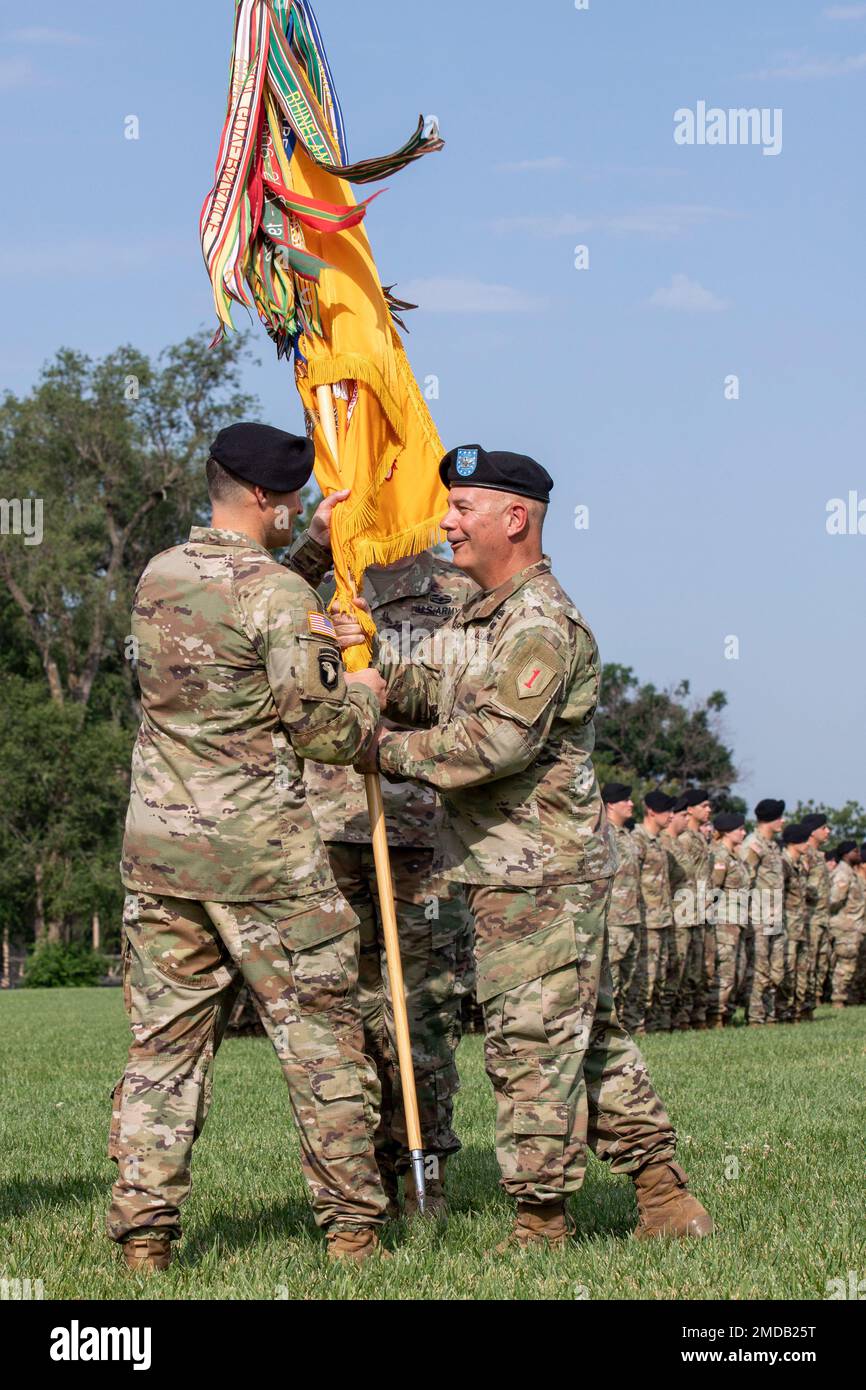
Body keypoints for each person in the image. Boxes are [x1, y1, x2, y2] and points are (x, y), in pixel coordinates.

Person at [338, 445, 712, 1249]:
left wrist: (383, 752)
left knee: (532, 1046)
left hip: (540, 872)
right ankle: (666, 1200)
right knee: (587, 1036)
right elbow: (437, 690)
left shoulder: (540, 623)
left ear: (515, 519)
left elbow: (491, 744)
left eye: (462, 508)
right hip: (509, 870)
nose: (445, 522)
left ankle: (540, 1224)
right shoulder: (487, 614)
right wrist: (371, 674)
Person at [108, 422, 391, 1271]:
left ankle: (144, 1241)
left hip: (162, 854)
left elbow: (220, 636)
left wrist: (305, 555)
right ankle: (352, 1235)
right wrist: (366, 688)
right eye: (295, 501)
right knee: (324, 1045)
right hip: (262, 861)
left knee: (163, 1052)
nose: (300, 509)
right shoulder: (279, 598)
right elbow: (325, 731)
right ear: (267, 498)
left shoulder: (159, 576)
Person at [303, 549, 477, 1218]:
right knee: (340, 1010)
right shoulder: (322, 583)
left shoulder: (459, 591)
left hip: (422, 828)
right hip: (330, 824)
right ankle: (359, 1180)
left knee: (424, 1010)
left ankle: (424, 1174)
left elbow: (478, 696)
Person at [631, 791, 679, 1034]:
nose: (671, 816)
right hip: (646, 921)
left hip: (662, 919)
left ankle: (654, 1025)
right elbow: (630, 883)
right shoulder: (637, 841)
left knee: (659, 977)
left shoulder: (658, 842)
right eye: (667, 811)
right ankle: (637, 1027)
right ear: (651, 811)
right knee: (644, 979)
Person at [741, 799, 786, 1025]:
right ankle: (756, 1017)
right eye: (779, 817)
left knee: (775, 970)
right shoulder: (753, 844)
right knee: (759, 969)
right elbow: (744, 878)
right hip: (758, 917)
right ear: (769, 820)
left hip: (775, 916)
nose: (783, 821)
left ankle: (770, 1015)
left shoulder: (774, 845)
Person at [601, 782, 641, 1026]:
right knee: (611, 974)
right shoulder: (604, 833)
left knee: (627, 976)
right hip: (614, 917)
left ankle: (622, 1025)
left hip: (631, 916)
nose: (631, 803)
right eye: (625, 800)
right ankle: (606, 1025)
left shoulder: (627, 835)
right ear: (610, 805)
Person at [705, 813, 749, 1026]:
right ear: (727, 832)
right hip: (723, 922)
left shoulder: (734, 856)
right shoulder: (720, 856)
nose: (744, 833)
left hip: (735, 922)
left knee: (735, 971)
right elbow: (713, 890)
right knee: (724, 971)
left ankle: (725, 1014)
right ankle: (715, 1015)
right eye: (739, 829)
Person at [777, 824, 811, 1023]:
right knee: (786, 969)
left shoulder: (798, 865)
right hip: (787, 925)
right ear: (793, 842)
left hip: (799, 926)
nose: (807, 844)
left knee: (800, 969)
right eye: (803, 840)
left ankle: (795, 1011)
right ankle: (783, 1011)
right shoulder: (783, 863)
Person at [800, 813, 832, 1019]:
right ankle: (802, 1007)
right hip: (808, 918)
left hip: (821, 919)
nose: (828, 831)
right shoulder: (806, 854)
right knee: (807, 964)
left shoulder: (819, 855)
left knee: (819, 964)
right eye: (824, 828)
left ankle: (810, 1005)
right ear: (813, 831)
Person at [828, 842, 865, 1007]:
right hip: (845, 926)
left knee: (846, 963)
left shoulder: (851, 873)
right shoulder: (843, 873)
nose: (859, 854)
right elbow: (834, 900)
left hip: (853, 925)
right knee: (845, 964)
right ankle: (838, 1000)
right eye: (855, 851)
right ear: (845, 854)